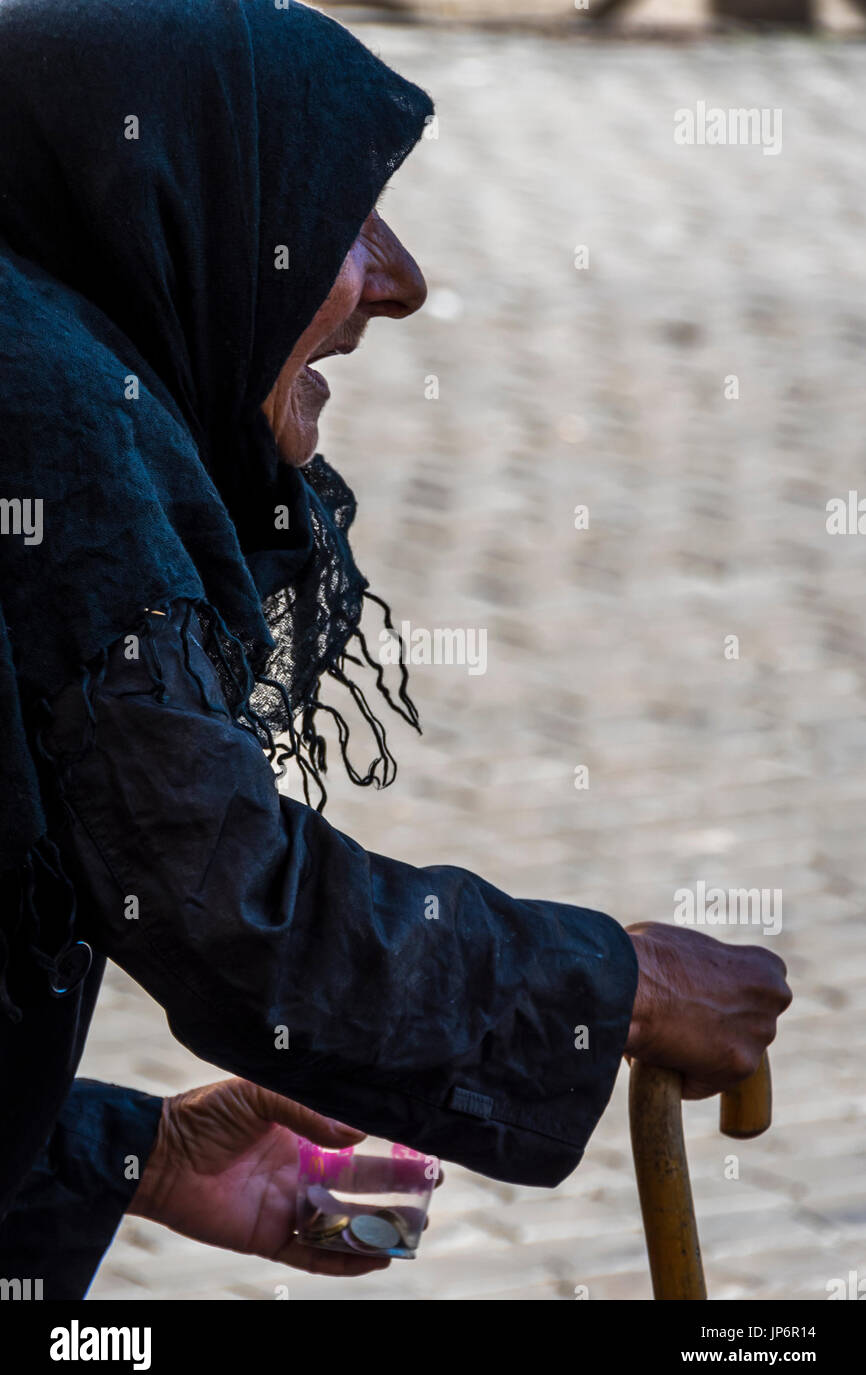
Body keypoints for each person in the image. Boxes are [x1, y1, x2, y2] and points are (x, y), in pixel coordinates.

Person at [0, 0, 791, 1299]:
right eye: (332, 217)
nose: (399, 280)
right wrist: (619, 984)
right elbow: (221, 895)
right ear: (176, 197)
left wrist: (124, 1152)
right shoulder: (48, 420)